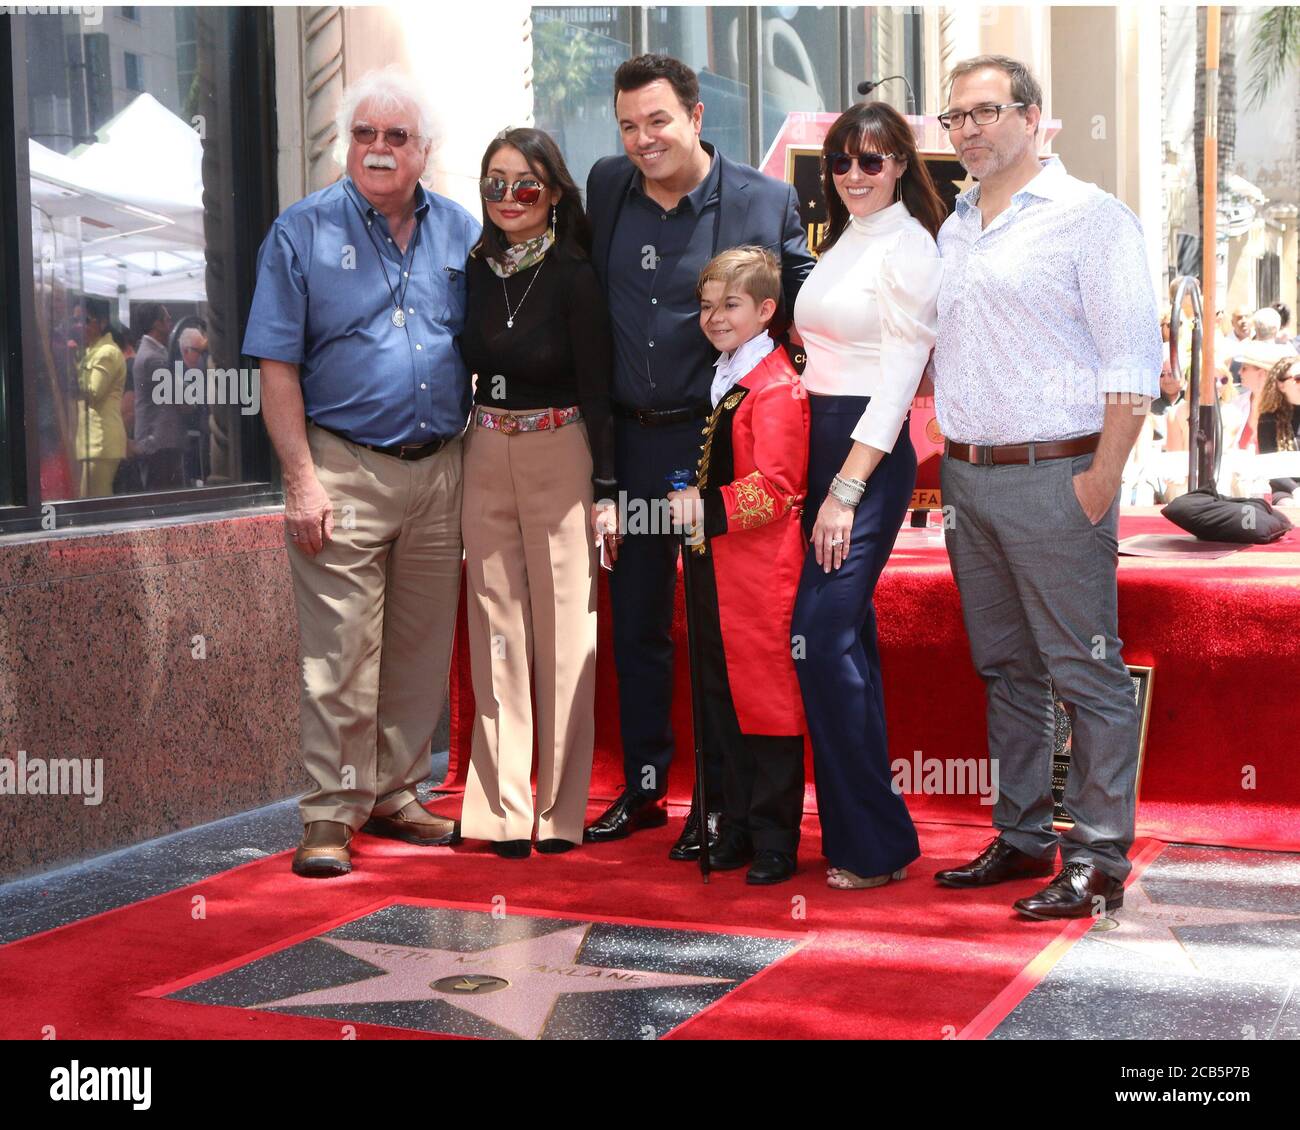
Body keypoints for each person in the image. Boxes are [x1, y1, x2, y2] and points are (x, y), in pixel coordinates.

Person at [930, 55, 1161, 919]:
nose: (968, 130)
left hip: (1059, 477)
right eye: (955, 119)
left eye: (984, 112)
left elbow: (1134, 363)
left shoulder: (1091, 219)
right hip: (968, 479)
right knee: (1007, 670)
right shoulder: (954, 224)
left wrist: (1100, 482)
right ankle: (1023, 836)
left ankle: (1099, 858)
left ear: (1034, 116)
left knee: (1085, 673)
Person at [242, 66, 479, 877]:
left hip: (441, 468)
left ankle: (395, 792)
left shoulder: (461, 230)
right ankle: (327, 813)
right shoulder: (300, 231)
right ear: (348, 144)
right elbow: (277, 367)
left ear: (425, 151)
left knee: (417, 650)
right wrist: (302, 481)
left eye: (396, 137)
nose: (379, 150)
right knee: (339, 654)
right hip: (340, 467)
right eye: (365, 134)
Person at [581, 53, 815, 859]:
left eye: (658, 122)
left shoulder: (764, 199)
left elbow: (804, 315)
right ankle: (644, 790)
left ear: (695, 117)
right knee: (639, 622)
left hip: (720, 450)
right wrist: (600, 473)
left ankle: (717, 807)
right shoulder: (607, 187)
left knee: (719, 631)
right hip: (633, 445)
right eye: (628, 126)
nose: (643, 140)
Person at [789, 101, 946, 890]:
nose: (854, 174)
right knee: (846, 639)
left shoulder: (912, 248)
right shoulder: (849, 236)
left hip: (866, 456)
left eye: (873, 161)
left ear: (900, 166)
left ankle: (872, 838)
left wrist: (846, 490)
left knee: (816, 639)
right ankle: (870, 838)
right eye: (842, 162)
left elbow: (895, 382)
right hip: (816, 446)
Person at [457, 127, 614, 859]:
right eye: (496, 182)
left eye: (526, 183)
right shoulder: (476, 269)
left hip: (561, 449)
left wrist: (609, 488)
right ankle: (498, 808)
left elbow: (598, 389)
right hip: (484, 447)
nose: (510, 197)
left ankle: (557, 809)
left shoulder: (577, 276)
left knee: (563, 631)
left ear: (554, 192)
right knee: (496, 628)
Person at [664, 246, 809, 884]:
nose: (714, 317)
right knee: (721, 698)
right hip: (713, 565)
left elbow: (778, 489)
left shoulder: (775, 387)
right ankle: (736, 827)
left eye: (729, 305)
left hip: (757, 570)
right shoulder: (730, 372)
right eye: (705, 306)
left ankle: (778, 837)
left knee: (768, 702)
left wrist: (704, 506)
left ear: (766, 310)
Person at [74, 296, 128, 499]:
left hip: (101, 442)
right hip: (93, 442)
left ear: (102, 322)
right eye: (76, 321)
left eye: (85, 320)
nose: (79, 326)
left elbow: (92, 392)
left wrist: (69, 375)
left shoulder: (106, 352)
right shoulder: (90, 350)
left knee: (95, 504)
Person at [131, 303, 184, 491]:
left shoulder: (153, 353)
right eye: (167, 319)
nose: (170, 323)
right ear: (157, 324)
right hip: (159, 441)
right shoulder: (154, 357)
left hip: (157, 439)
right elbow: (179, 398)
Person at [1256, 354, 1300, 505]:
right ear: (1281, 385)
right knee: (1289, 505)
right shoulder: (1268, 419)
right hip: (1286, 489)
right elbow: (1269, 466)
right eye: (1298, 378)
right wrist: (1296, 490)